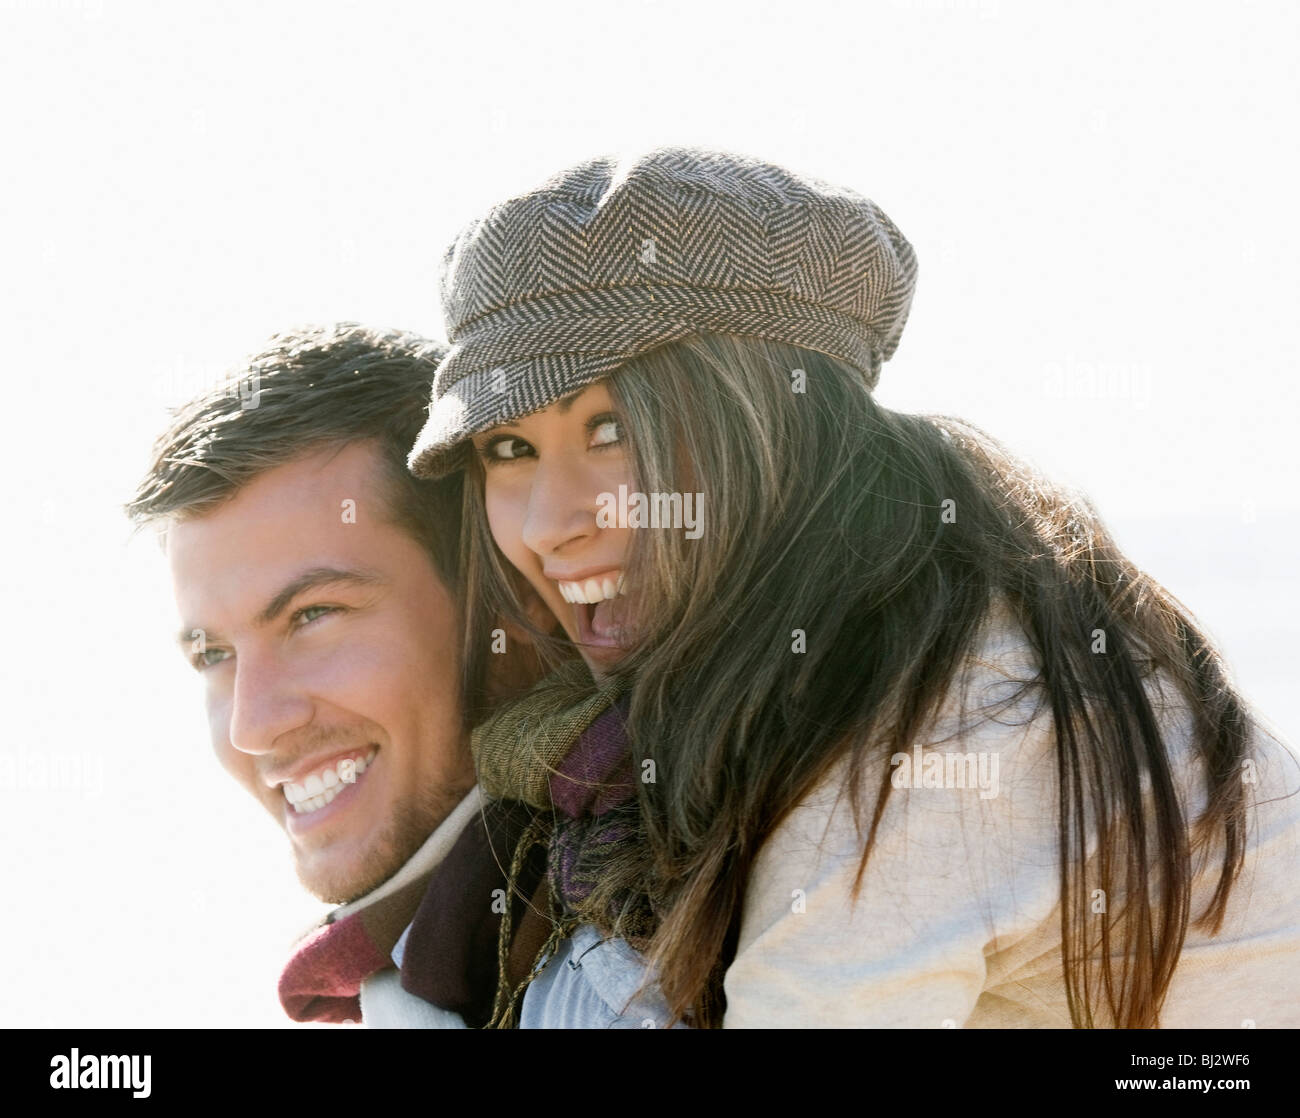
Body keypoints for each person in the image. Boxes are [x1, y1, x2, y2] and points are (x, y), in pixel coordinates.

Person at [408, 146, 1300, 1028]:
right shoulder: (885, 625)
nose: (546, 525)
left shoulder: (935, 735)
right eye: (510, 449)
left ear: (781, 427)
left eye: (612, 429)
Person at [126, 323, 553, 1027]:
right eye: (213, 655)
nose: (255, 726)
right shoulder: (419, 975)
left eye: (312, 615)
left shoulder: (660, 945)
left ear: (502, 600)